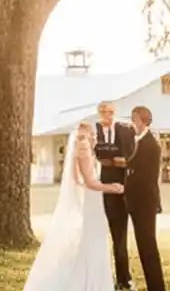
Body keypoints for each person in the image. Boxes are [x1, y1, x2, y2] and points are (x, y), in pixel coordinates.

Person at [23, 121, 126, 291]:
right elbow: (90, 182)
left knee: (91, 239)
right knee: (93, 241)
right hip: (92, 202)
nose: (92, 138)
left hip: (91, 201)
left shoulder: (82, 152)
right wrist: (112, 187)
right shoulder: (84, 151)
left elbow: (78, 180)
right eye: (89, 135)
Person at [94, 101, 137, 290]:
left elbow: (133, 159)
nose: (107, 115)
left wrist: (118, 162)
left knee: (119, 236)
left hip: (121, 190)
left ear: (115, 113)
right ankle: (96, 276)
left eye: (110, 112)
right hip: (98, 189)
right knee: (95, 236)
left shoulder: (126, 131)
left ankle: (123, 278)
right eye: (103, 112)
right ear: (98, 113)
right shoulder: (92, 131)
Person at [124, 106, 166, 291]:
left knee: (148, 246)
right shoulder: (135, 141)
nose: (132, 122)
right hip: (134, 201)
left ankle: (157, 287)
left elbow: (148, 176)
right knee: (143, 246)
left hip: (145, 202)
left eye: (135, 119)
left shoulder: (151, 143)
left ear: (143, 121)